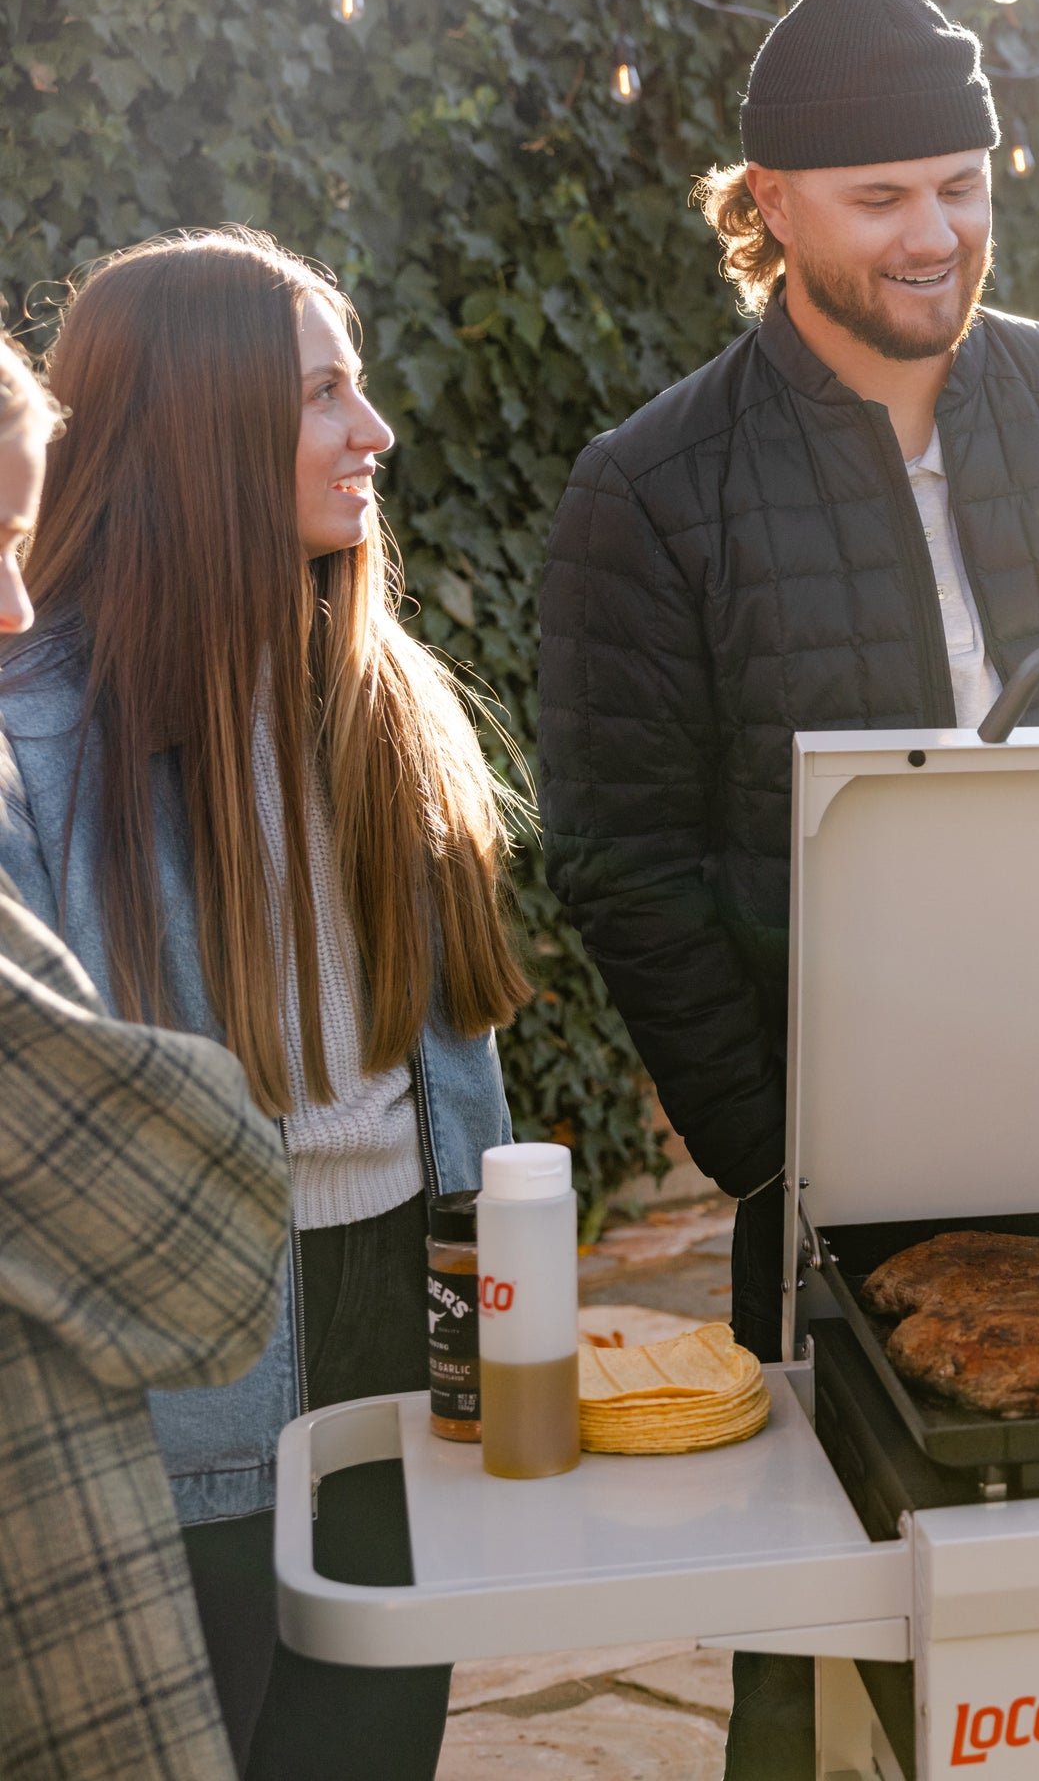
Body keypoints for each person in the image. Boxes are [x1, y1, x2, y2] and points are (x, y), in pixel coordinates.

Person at [537, 0, 1039, 1775]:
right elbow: (623, 858)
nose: (937, 231)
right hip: (835, 1182)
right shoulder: (651, 493)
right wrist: (782, 1149)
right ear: (768, 205)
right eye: (881, 199)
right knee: (825, 1669)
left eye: (963, 181)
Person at [0, 230, 529, 1780]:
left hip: (394, 1323)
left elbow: (460, 1073)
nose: (373, 432)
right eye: (321, 396)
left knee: (372, 1747)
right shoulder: (27, 749)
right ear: (191, 433)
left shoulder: (384, 693)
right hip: (173, 1363)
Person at [0, 333, 292, 1781]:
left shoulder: (367, 681)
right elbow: (160, 1207)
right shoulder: (38, 746)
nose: (13, 605)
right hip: (154, 1439)